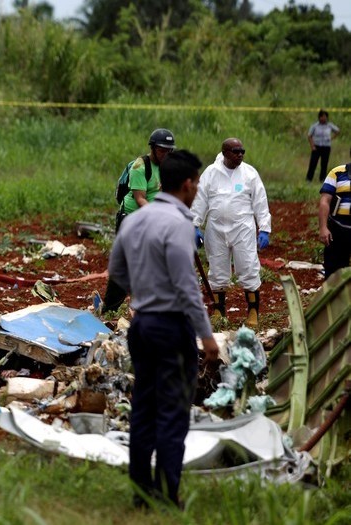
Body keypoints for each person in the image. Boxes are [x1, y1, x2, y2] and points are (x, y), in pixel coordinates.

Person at [108, 149, 220, 508]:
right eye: (197, 184)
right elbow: (186, 286)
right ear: (187, 185)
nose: (197, 190)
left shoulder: (134, 220)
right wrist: (207, 337)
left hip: (141, 324)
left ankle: (141, 493)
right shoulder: (179, 224)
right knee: (172, 411)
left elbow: (117, 273)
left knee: (144, 408)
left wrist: (142, 291)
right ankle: (168, 494)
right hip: (171, 327)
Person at [192, 138, 271, 328]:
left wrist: (264, 228)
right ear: (225, 153)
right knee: (217, 268)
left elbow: (260, 202)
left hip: (242, 228)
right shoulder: (211, 173)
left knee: (248, 266)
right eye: (236, 151)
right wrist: (194, 225)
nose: (240, 155)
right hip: (216, 229)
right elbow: (200, 199)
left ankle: (253, 312)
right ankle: (219, 311)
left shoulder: (249, 174)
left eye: (242, 151)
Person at [101, 128, 176, 314]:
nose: (165, 155)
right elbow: (140, 198)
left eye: (169, 151)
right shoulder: (140, 167)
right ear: (153, 148)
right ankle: (110, 309)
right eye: (162, 150)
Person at [318, 148, 351, 278]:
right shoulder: (337, 173)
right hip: (338, 229)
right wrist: (323, 228)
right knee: (334, 273)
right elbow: (324, 201)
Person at [307, 109, 340, 183]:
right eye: (322, 117)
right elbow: (309, 136)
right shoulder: (315, 126)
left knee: (324, 164)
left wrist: (331, 138)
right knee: (313, 163)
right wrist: (312, 146)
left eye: (325, 117)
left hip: (326, 147)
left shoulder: (329, 125)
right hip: (316, 147)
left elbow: (337, 131)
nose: (324, 118)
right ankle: (309, 179)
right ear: (319, 117)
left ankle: (322, 179)